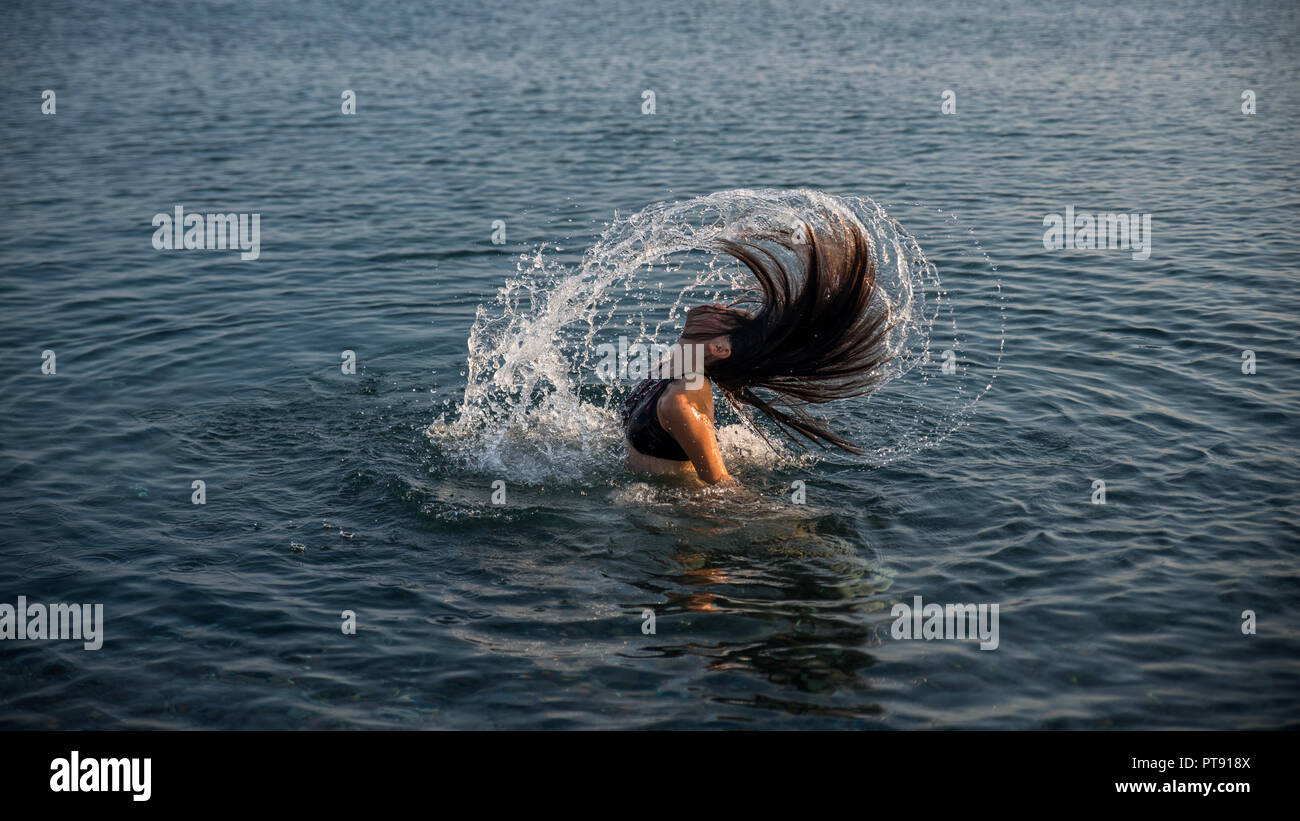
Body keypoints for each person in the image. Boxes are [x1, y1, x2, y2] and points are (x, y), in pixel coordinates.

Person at [621, 212, 896, 486]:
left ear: (720, 349)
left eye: (728, 318)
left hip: (679, 517)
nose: (720, 306)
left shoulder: (685, 397)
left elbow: (721, 487)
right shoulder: (670, 365)